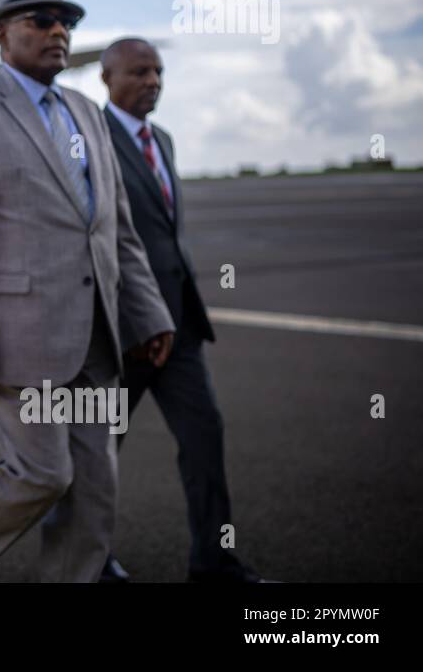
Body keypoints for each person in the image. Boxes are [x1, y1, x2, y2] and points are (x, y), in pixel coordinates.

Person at [0, 0, 174, 583]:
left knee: (95, 487)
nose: (58, 30)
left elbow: (115, 230)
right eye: (41, 20)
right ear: (3, 34)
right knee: (43, 473)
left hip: (97, 337)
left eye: (66, 21)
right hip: (20, 337)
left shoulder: (88, 113)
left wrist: (148, 313)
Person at [98, 37, 267, 583]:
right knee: (96, 455)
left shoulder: (162, 139)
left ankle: (213, 562)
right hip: (122, 335)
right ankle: (88, 562)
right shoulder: (89, 139)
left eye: (159, 72)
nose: (153, 82)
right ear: (107, 78)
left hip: (181, 327)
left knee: (205, 439)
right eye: (139, 72)